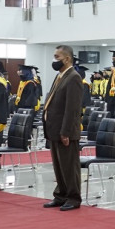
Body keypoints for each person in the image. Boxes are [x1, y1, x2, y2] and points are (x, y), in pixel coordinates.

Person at [41, 44, 84, 210]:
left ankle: (73, 198)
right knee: (59, 166)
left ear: (67, 59)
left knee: (69, 166)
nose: (54, 60)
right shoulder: (60, 76)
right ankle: (61, 194)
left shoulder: (73, 77)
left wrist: (65, 132)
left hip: (65, 131)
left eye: (57, 57)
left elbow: (72, 109)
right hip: (54, 129)